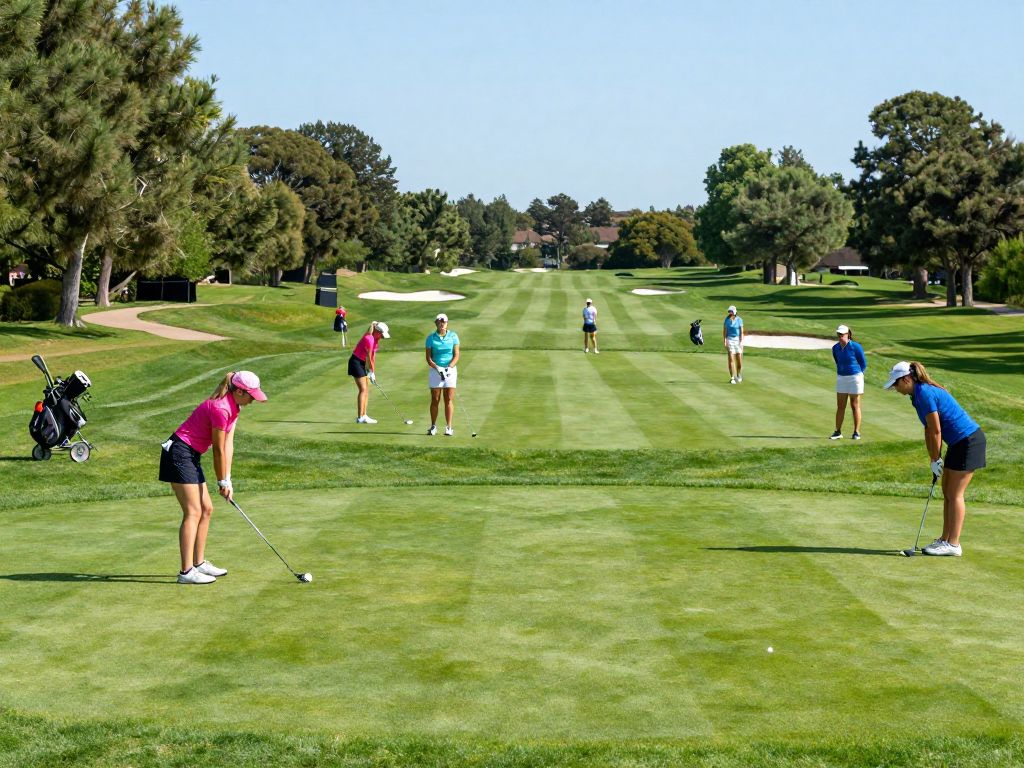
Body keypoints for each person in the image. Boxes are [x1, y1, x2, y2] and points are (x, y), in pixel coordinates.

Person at [159, 371, 267, 584]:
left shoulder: (234, 407)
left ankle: (199, 564)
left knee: (207, 509)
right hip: (179, 452)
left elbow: (228, 445)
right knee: (193, 511)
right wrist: (221, 481)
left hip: (190, 454)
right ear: (239, 391)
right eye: (251, 395)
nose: (253, 399)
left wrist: (228, 479)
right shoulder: (220, 408)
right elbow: (218, 450)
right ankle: (186, 572)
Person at [884, 360, 986, 557]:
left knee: (955, 494)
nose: (895, 388)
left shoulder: (925, 394)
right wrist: (933, 459)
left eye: (896, 384)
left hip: (969, 441)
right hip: (958, 443)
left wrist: (936, 456)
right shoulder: (916, 395)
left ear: (906, 379)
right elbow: (928, 430)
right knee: (947, 492)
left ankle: (954, 544)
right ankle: (945, 539)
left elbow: (937, 430)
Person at [425, 313, 460, 436]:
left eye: (443, 322)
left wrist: (449, 367)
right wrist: (438, 368)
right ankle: (433, 426)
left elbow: (456, 355)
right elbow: (428, 358)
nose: (441, 324)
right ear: (436, 323)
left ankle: (449, 427)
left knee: (448, 398)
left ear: (447, 323)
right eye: (439, 322)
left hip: (450, 371)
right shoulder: (431, 338)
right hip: (435, 370)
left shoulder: (453, 336)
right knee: (435, 399)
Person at [348, 320, 390, 424]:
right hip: (356, 362)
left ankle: (364, 415)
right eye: (381, 334)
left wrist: (373, 372)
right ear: (377, 331)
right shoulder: (369, 339)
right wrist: (370, 371)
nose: (382, 337)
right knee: (363, 389)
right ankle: (360, 417)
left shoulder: (375, 340)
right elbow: (369, 357)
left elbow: (373, 358)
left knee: (366, 389)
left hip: (362, 363)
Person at [830, 324, 867, 440]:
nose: (840, 337)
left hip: (855, 377)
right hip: (841, 377)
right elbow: (837, 361)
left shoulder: (856, 347)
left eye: (843, 334)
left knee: (854, 405)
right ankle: (838, 432)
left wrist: (857, 374)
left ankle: (856, 432)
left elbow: (863, 363)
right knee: (840, 406)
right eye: (839, 334)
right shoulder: (835, 348)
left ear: (848, 334)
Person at [722, 305, 744, 383]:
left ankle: (738, 374)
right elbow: (724, 331)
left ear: (734, 312)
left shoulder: (739, 320)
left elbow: (741, 332)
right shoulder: (726, 320)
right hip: (730, 340)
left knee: (739, 361)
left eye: (731, 311)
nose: (729, 313)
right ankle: (732, 378)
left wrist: (741, 342)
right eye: (729, 311)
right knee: (731, 358)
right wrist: (724, 340)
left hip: (738, 340)